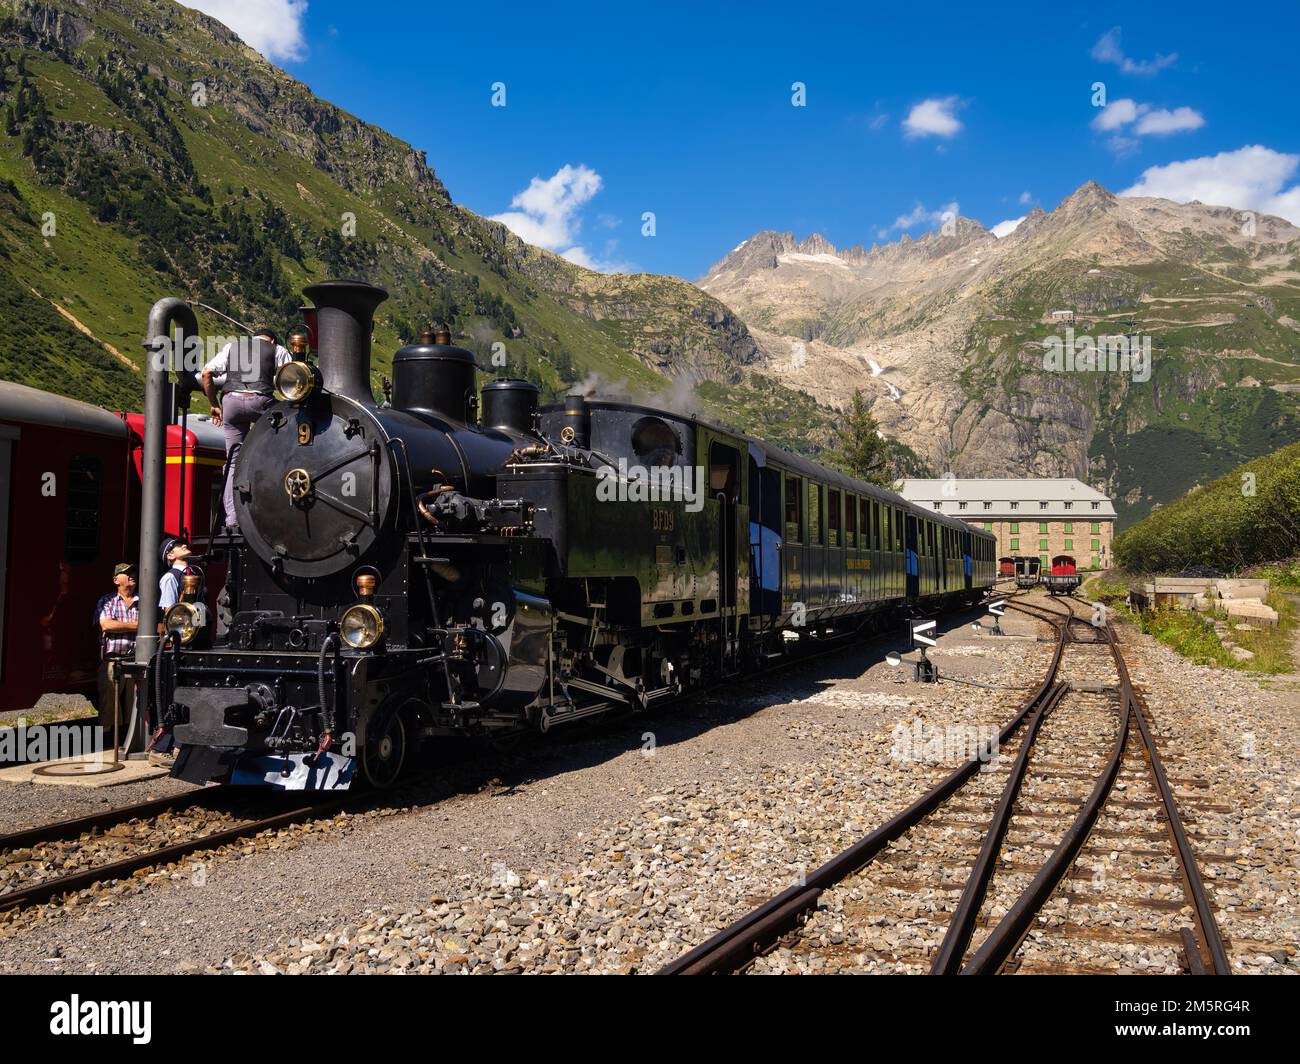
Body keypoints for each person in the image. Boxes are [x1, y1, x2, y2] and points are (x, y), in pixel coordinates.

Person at [201, 328, 291, 530]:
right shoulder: (277, 350)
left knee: (232, 462)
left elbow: (206, 373)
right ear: (272, 339)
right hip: (261, 402)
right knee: (281, 447)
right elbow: (293, 379)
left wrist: (215, 405)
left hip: (231, 404)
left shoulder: (232, 348)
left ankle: (232, 520)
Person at [97, 563, 138, 742]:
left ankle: (127, 738)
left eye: (133, 573)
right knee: (109, 700)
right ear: (116, 580)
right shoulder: (107, 601)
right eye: (126, 573)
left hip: (136, 659)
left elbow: (157, 626)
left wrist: (120, 626)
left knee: (133, 702)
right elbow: (106, 625)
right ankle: (105, 740)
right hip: (112, 659)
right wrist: (138, 626)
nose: (131, 576)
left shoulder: (143, 601)